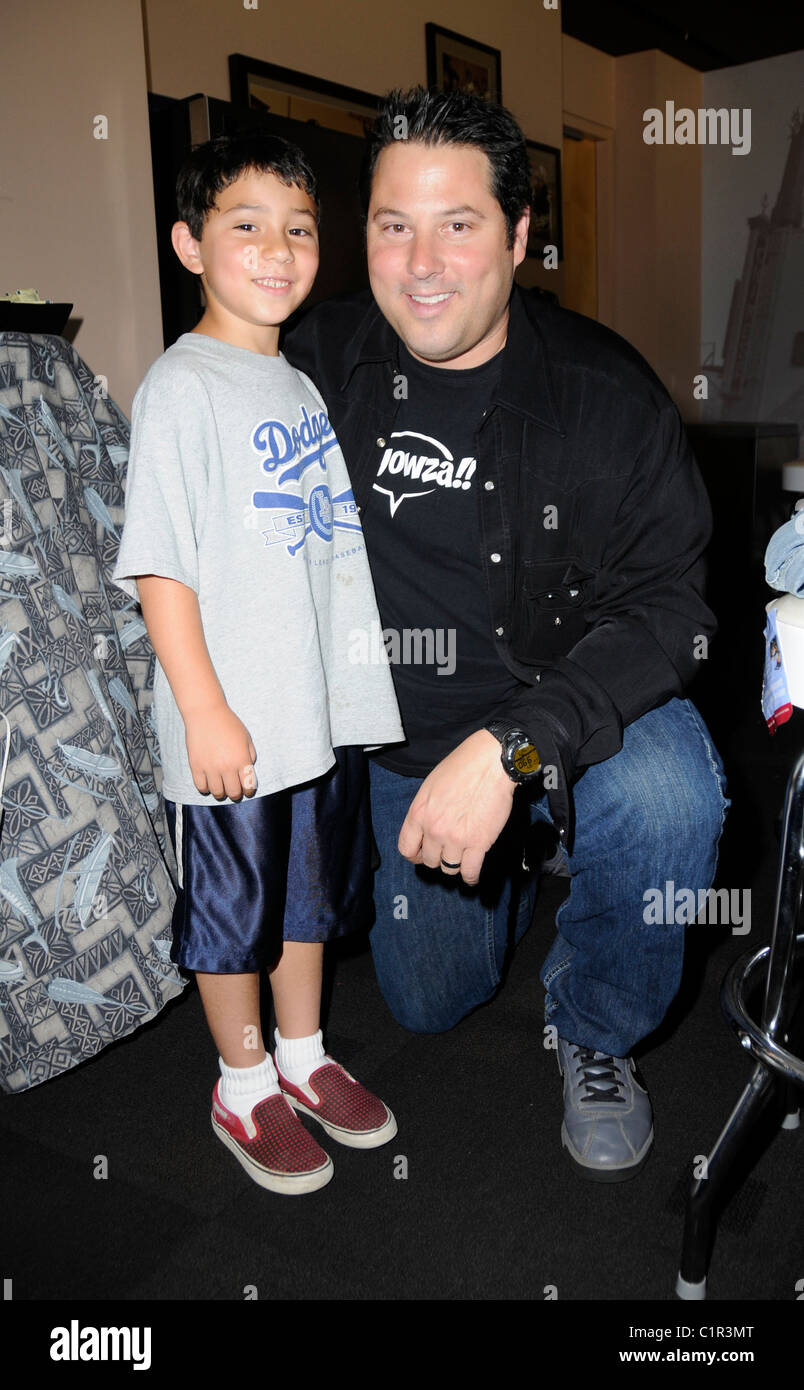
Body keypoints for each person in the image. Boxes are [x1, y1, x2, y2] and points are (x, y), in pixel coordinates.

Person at [284, 87, 730, 1182]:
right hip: (406, 741)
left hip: (573, 713)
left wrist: (515, 749)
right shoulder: (315, 359)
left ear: (522, 236)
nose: (422, 262)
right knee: (430, 1002)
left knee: (675, 798)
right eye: (395, 224)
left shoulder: (606, 394)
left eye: (460, 223)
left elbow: (675, 613)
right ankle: (530, 856)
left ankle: (596, 1028)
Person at [112, 131, 405, 1195]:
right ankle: (241, 1083)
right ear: (189, 243)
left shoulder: (297, 386)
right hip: (231, 721)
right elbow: (161, 568)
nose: (277, 250)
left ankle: (302, 1054)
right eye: (246, 227)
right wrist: (204, 709)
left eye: (298, 229)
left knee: (306, 901)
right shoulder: (183, 387)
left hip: (305, 716)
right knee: (234, 915)